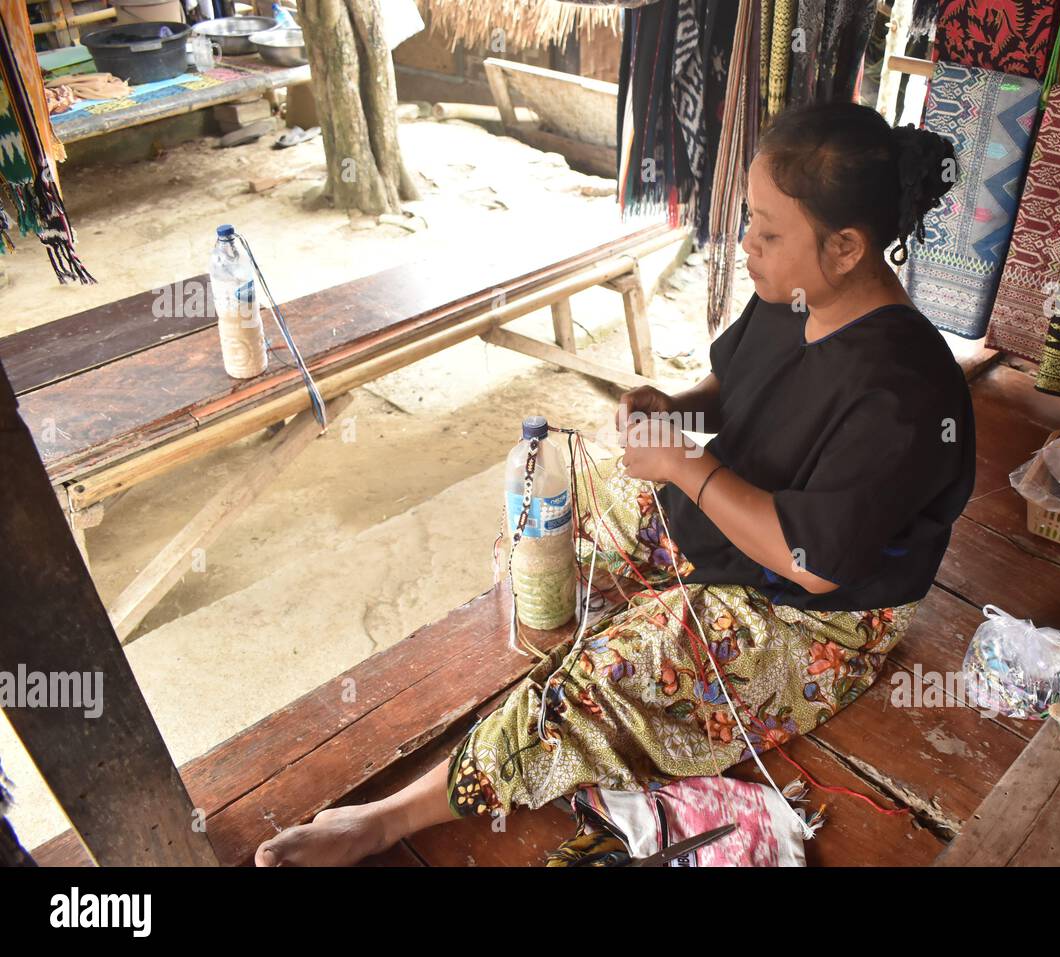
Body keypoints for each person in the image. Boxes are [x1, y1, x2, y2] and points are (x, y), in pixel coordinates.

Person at [254, 101, 974, 867]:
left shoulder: (906, 393)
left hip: (814, 610)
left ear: (847, 248)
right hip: (737, 510)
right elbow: (739, 390)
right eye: (746, 221)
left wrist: (684, 466)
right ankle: (606, 642)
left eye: (767, 231)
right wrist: (677, 408)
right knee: (554, 496)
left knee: (608, 681)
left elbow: (813, 559)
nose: (746, 245)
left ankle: (386, 819)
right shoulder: (794, 295)